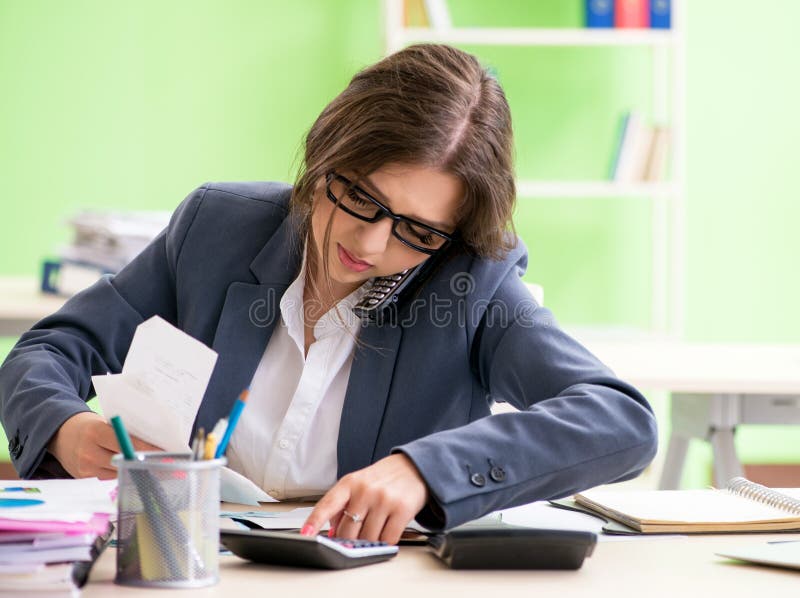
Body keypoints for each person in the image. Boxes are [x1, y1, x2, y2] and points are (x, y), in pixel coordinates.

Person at [0, 44, 657, 544]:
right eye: (361, 197)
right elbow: (48, 351)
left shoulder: (472, 282)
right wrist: (66, 428)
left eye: (417, 231)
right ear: (325, 157)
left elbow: (619, 420)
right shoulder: (215, 230)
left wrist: (424, 471)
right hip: (191, 562)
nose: (370, 243)